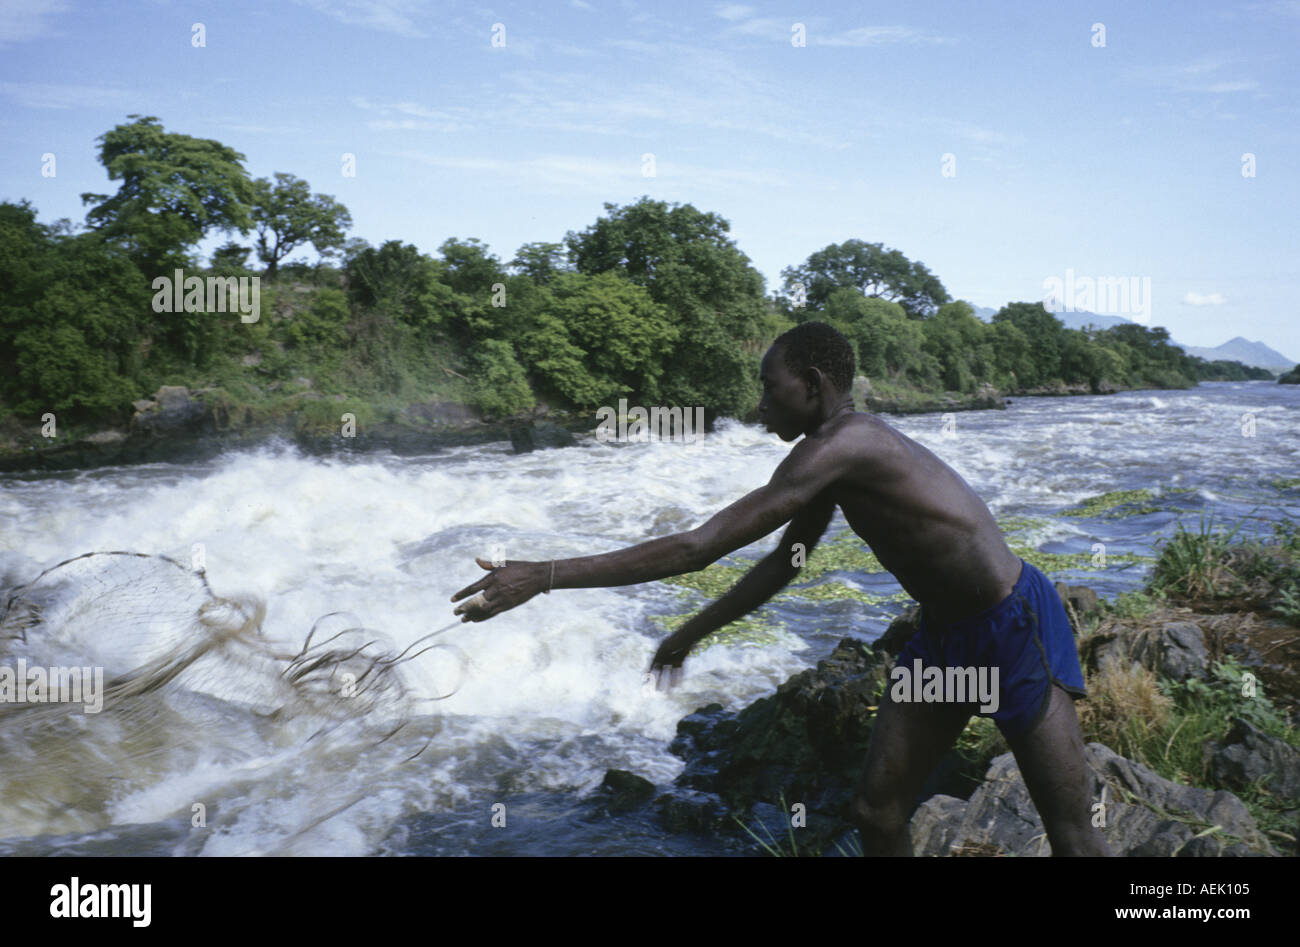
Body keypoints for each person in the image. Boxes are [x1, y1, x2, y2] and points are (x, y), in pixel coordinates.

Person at [451, 320, 1112, 856]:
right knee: (877, 811)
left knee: (1072, 834)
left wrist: (544, 575)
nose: (759, 406)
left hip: (1012, 624)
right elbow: (784, 562)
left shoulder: (843, 446)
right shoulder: (832, 460)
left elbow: (696, 546)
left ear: (813, 383)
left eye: (770, 390)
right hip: (943, 638)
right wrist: (692, 632)